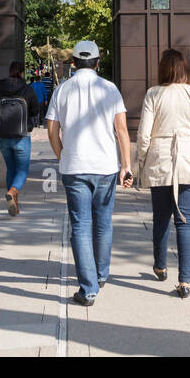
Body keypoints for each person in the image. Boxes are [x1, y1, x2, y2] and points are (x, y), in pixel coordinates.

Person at [45, 40, 131, 307]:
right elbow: (122, 130)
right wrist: (126, 165)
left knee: (80, 226)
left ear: (72, 63)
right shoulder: (110, 89)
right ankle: (101, 274)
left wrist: (63, 155)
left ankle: (88, 288)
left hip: (75, 167)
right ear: (97, 62)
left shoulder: (62, 89)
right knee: (103, 223)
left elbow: (51, 129)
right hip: (105, 166)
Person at [134, 48, 190, 299]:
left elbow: (144, 134)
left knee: (160, 217)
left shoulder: (153, 94)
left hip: (160, 160)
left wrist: (141, 161)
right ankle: (185, 280)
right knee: (185, 219)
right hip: (188, 160)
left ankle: (160, 265)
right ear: (184, 70)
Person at [0, 60, 42, 216]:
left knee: (11, 169)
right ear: (22, 73)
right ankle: (13, 191)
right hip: (21, 136)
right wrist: (30, 122)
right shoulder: (27, 90)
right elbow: (36, 109)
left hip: (3, 137)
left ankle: (14, 202)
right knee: (22, 170)